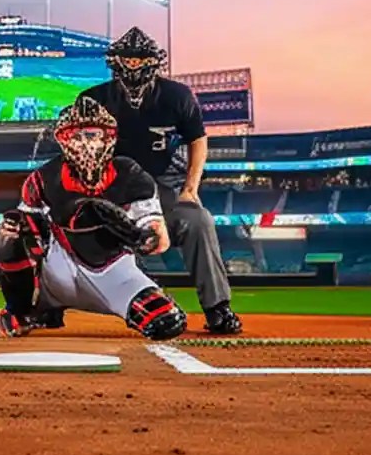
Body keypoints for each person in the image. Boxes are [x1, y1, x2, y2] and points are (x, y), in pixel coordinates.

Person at [72, 26, 243, 335]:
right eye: (128, 59)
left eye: (139, 60)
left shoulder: (176, 95)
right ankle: (43, 306)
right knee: (64, 228)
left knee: (199, 220)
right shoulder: (92, 99)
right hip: (111, 188)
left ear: (153, 62)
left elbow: (198, 140)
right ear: (115, 62)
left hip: (161, 184)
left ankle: (218, 308)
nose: (133, 66)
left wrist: (190, 188)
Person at [0, 97, 188, 342]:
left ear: (107, 138)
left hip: (112, 269)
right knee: (7, 234)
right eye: (76, 136)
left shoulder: (130, 174)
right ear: (64, 139)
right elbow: (29, 233)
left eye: (91, 135)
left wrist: (137, 234)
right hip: (58, 268)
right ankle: (22, 310)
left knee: (167, 322)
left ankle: (48, 307)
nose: (84, 144)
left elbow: (158, 241)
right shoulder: (42, 179)